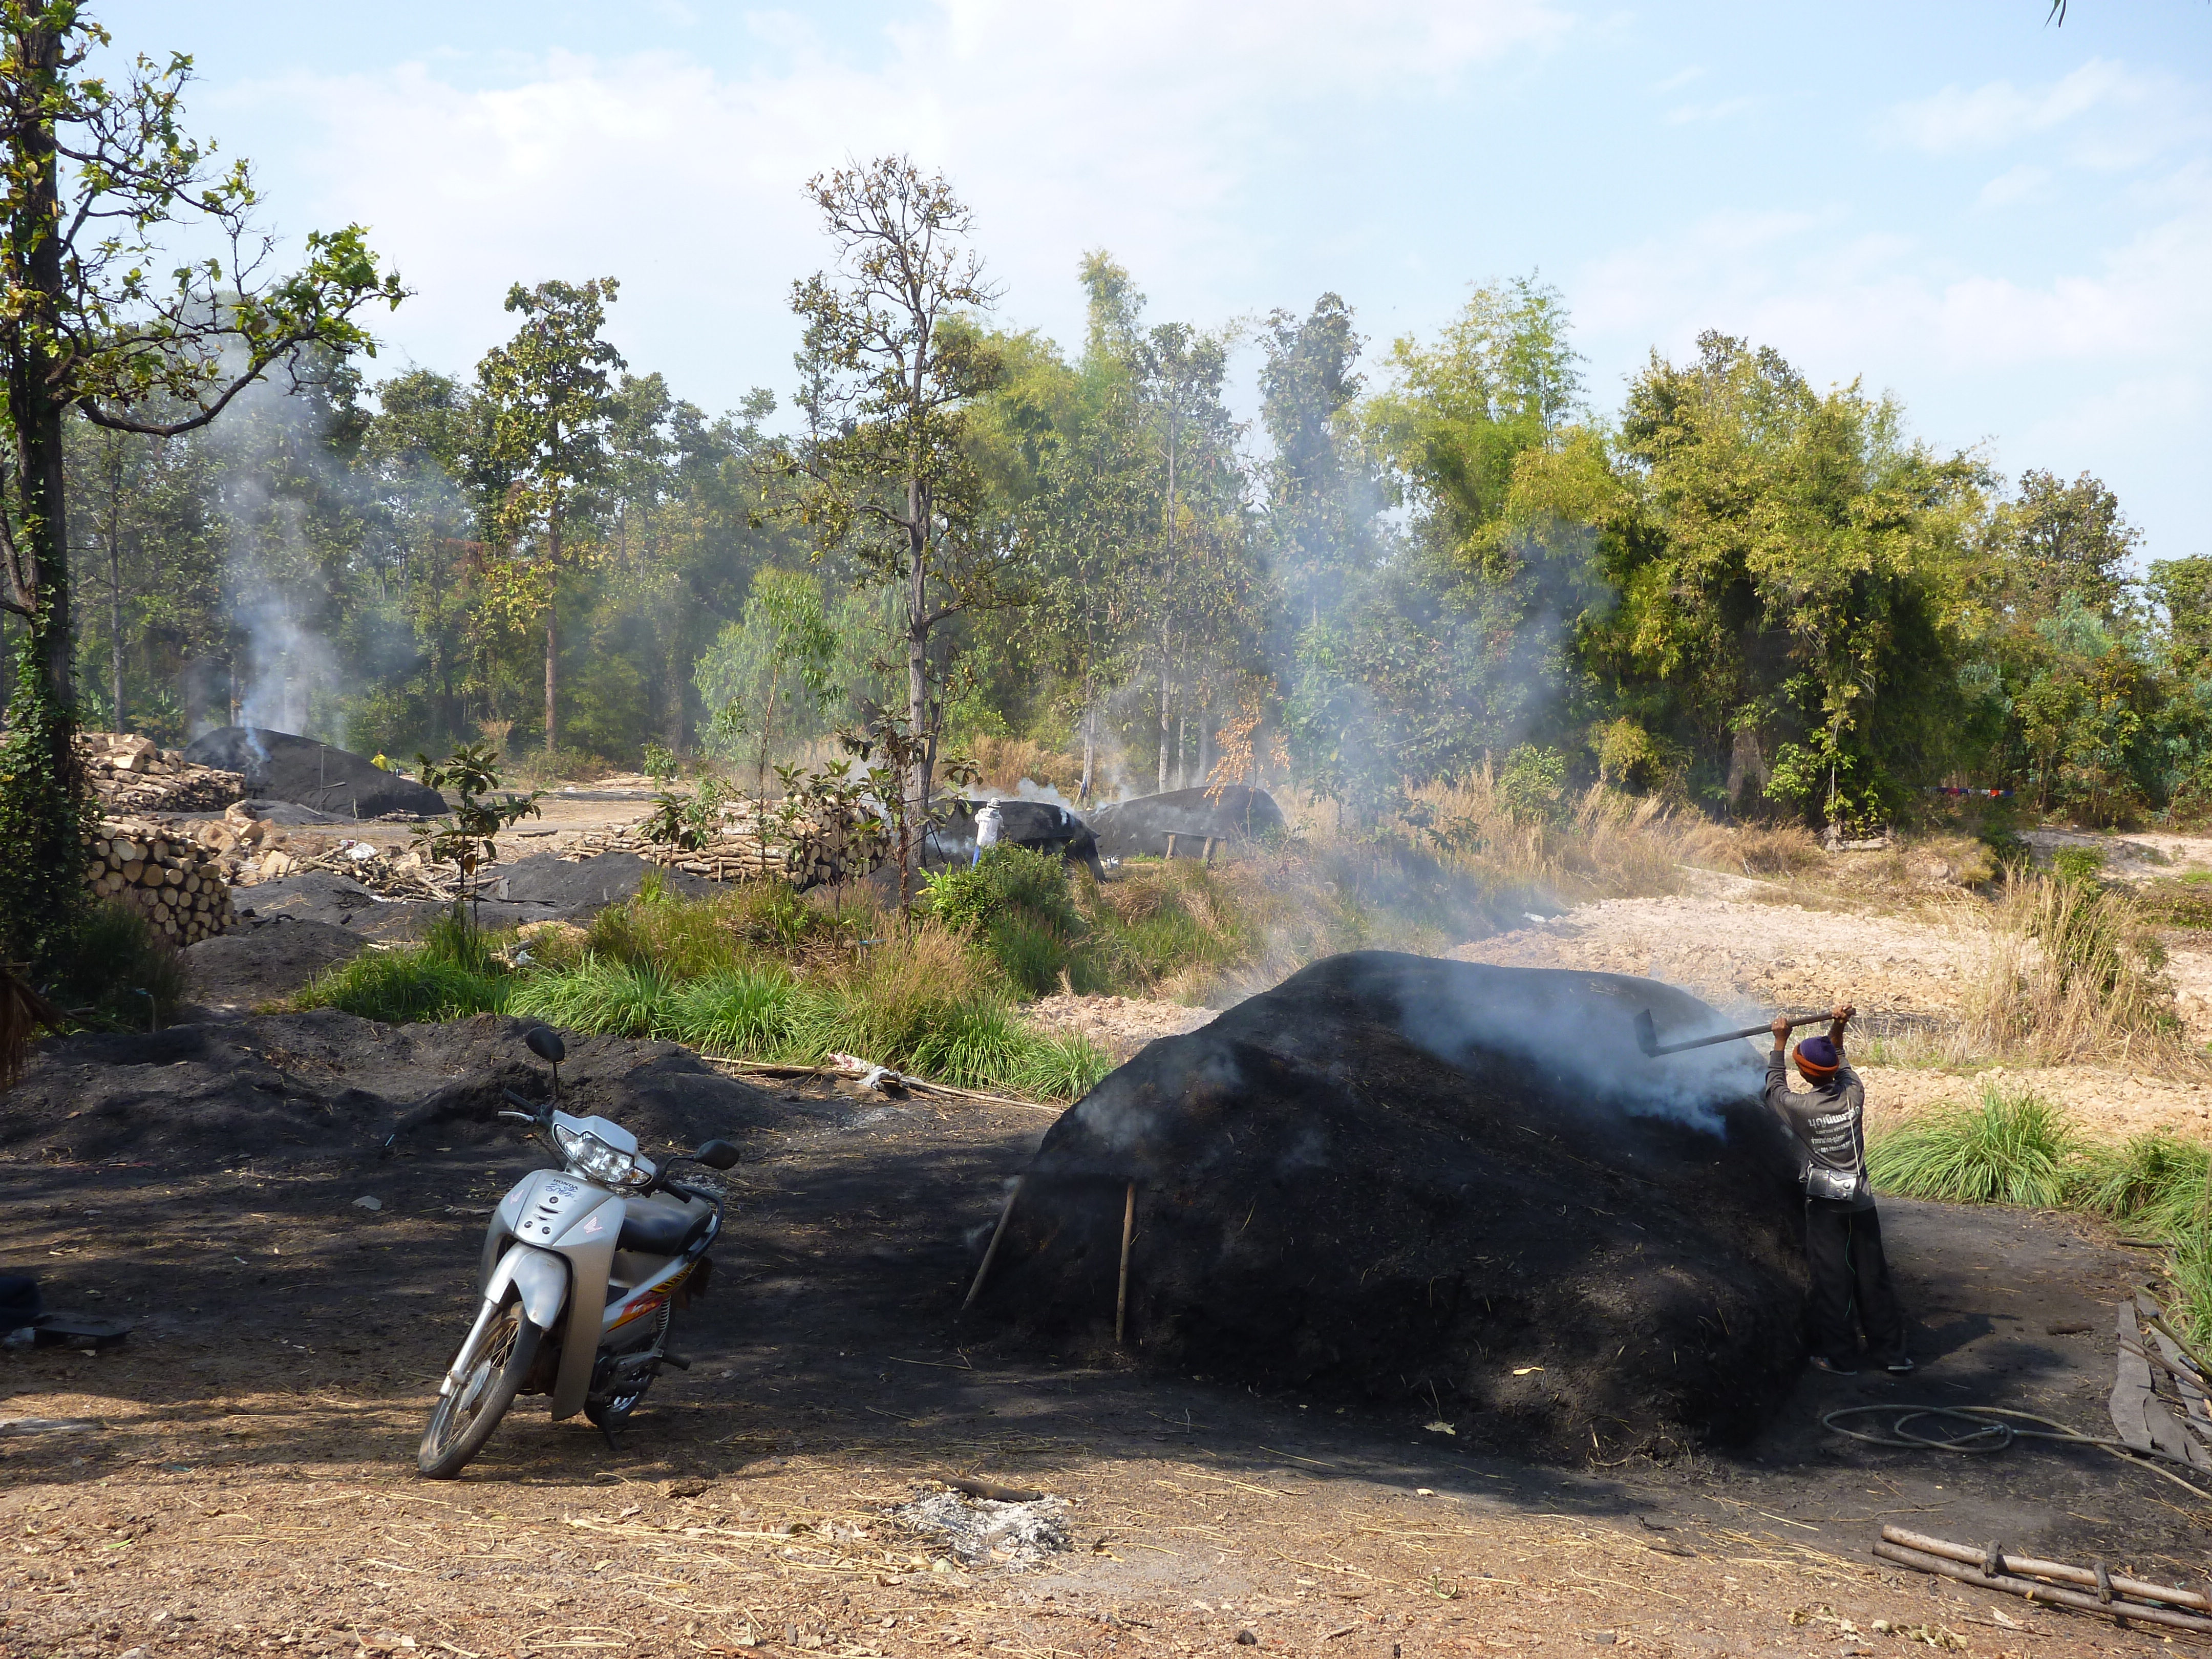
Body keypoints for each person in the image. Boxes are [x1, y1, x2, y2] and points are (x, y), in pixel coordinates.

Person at [1764, 1003, 1911, 1377]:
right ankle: (1892, 1355)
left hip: (1827, 1205)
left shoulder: (1800, 1107)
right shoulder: (1854, 1093)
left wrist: (1779, 1041)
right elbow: (1841, 1057)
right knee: (1873, 1277)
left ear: (1803, 1072)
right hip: (1862, 1202)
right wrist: (1838, 1027)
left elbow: (1773, 1088)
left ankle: (1842, 1358)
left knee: (1833, 1280)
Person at [972, 799, 1004, 866]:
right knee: (990, 863)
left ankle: (973, 871)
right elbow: (1002, 827)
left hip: (981, 841)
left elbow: (977, 820)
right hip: (992, 843)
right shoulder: (999, 818)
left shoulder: (981, 814)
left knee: (976, 861)